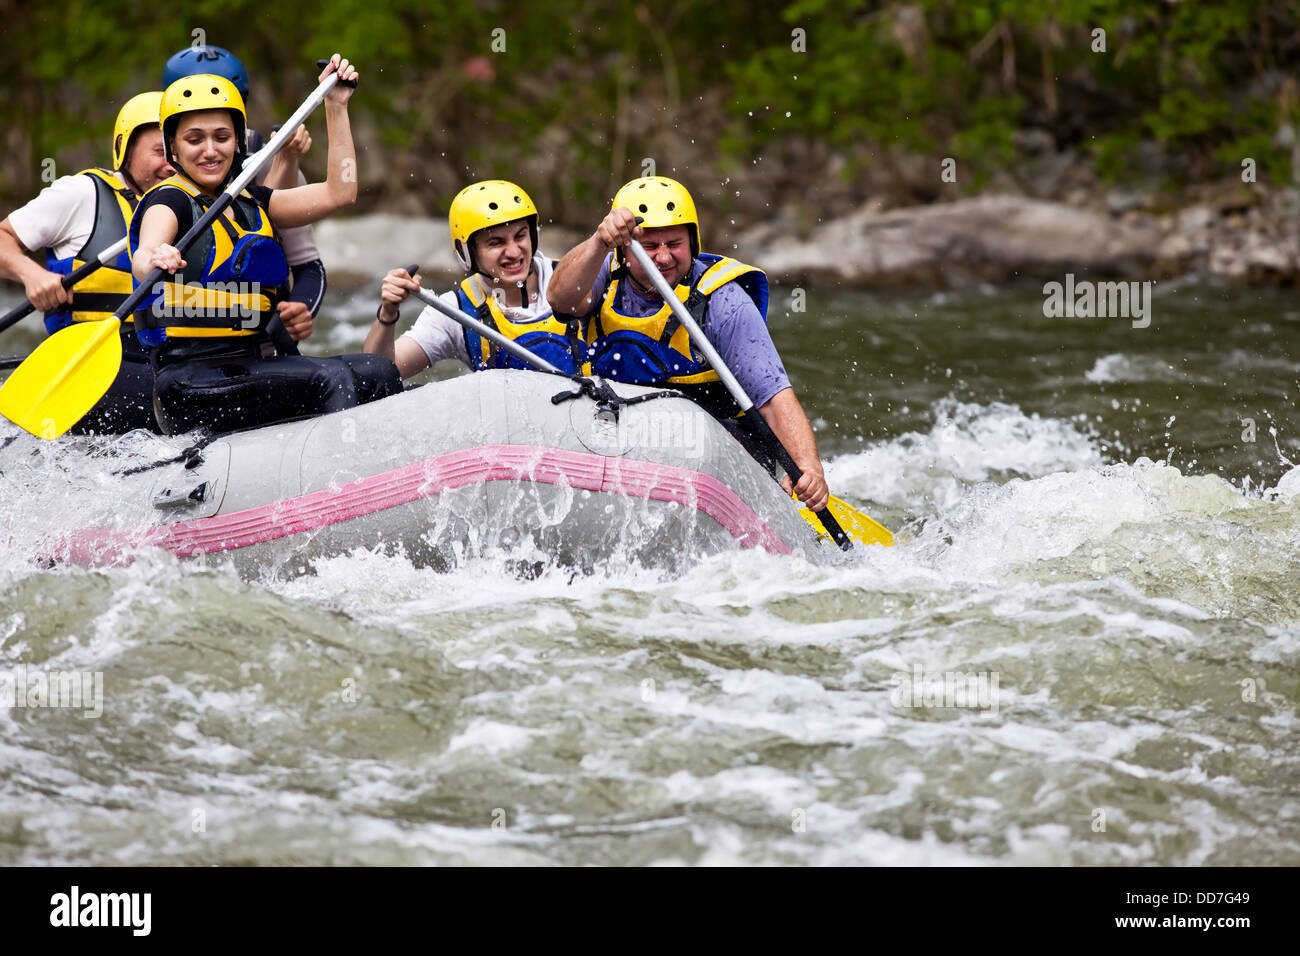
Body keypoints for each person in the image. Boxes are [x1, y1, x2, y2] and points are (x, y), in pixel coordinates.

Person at [129, 56, 401, 436]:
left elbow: (341, 192)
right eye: (195, 140)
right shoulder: (169, 202)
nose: (210, 150)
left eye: (221, 137)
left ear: (238, 141)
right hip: (188, 382)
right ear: (172, 147)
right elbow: (144, 256)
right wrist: (155, 256)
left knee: (380, 371)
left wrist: (336, 107)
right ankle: (342, 483)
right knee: (331, 377)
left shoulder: (252, 200)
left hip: (248, 365)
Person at [548, 175, 830, 512]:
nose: (664, 257)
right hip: (624, 452)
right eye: (650, 246)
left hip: (715, 462)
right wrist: (598, 241)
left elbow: (772, 398)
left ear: (693, 242)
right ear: (625, 249)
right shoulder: (603, 273)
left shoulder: (723, 302)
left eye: (674, 243)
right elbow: (560, 300)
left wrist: (808, 466)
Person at [0, 91, 174, 433]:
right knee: (172, 395)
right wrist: (32, 275)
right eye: (159, 152)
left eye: (176, 152)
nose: (170, 163)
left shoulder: (192, 206)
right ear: (125, 148)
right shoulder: (82, 193)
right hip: (95, 362)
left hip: (169, 357)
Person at [162, 44, 324, 354]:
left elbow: (307, 266)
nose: (210, 148)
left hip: (254, 341)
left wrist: (294, 315)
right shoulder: (158, 174)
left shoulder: (264, 163)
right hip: (181, 347)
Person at [364, 180, 584, 378]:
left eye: (520, 236)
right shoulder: (456, 311)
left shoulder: (580, 278)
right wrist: (388, 312)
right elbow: (378, 372)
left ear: (533, 235)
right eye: (496, 243)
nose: (514, 252)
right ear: (468, 252)